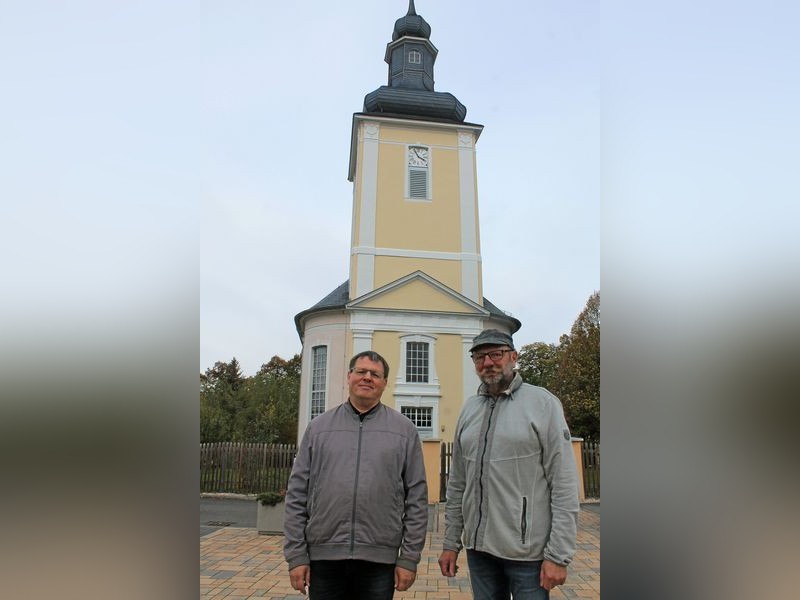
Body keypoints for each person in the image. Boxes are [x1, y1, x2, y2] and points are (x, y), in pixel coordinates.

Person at [438, 329, 580, 600]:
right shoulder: (469, 410)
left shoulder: (543, 404)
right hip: (479, 552)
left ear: (513, 357)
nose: (488, 362)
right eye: (480, 356)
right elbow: (458, 484)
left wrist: (559, 556)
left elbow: (563, 483)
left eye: (496, 354)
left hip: (527, 554)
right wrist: (450, 544)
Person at [283, 350, 429, 599]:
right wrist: (296, 555)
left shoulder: (404, 431)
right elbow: (296, 494)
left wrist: (409, 558)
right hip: (324, 558)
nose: (367, 378)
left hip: (379, 561)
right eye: (361, 372)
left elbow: (417, 498)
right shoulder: (318, 429)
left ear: (384, 383)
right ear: (349, 376)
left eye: (375, 374)